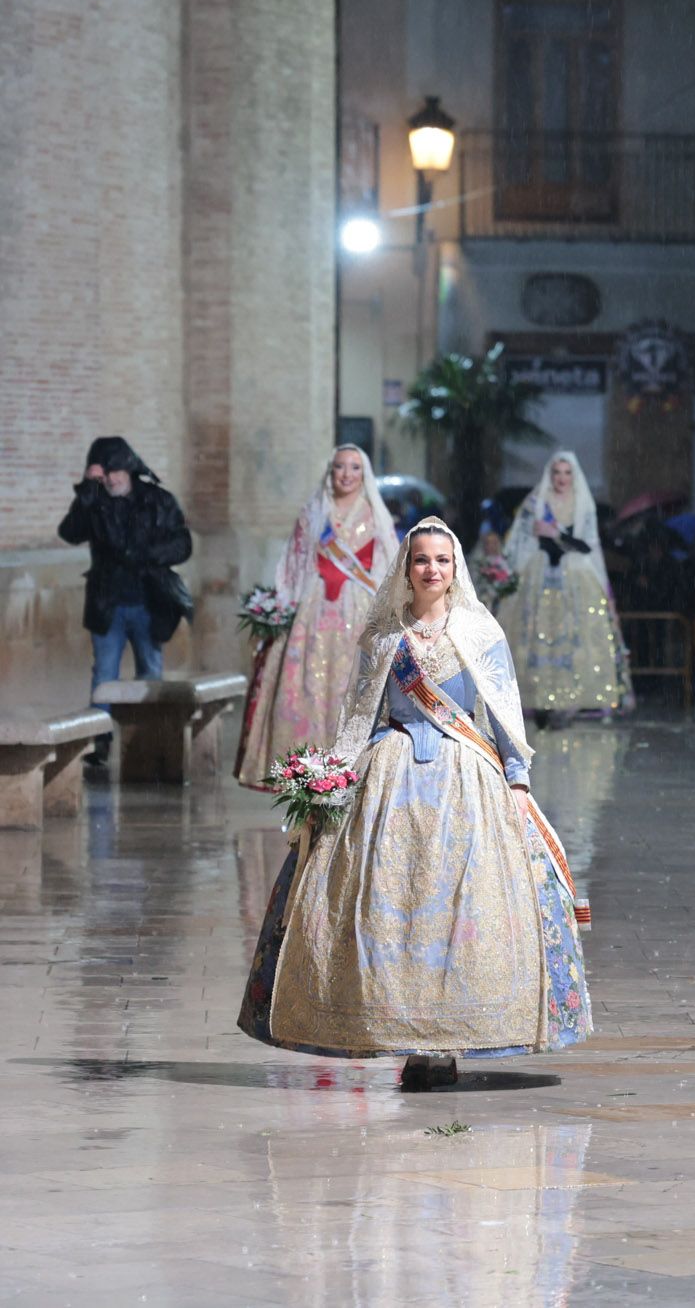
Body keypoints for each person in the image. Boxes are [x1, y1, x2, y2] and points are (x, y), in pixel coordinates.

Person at [238, 518, 591, 1090]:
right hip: (390, 776)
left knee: (460, 908)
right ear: (407, 568)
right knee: (391, 906)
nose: (432, 569)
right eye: (422, 560)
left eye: (442, 561)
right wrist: (333, 780)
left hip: (465, 779)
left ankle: (449, 1040)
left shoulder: (479, 632)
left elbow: (504, 712)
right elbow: (359, 716)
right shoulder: (383, 638)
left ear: (456, 570)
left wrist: (518, 780)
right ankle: (399, 1034)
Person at [235, 446, 395, 788]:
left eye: (354, 468)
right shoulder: (313, 514)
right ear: (330, 471)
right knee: (306, 685)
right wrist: (280, 607)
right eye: (340, 467)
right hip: (314, 608)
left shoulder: (374, 514)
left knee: (349, 686)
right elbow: (293, 565)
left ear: (363, 474)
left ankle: (348, 764)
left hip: (356, 609)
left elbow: (386, 567)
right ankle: (302, 767)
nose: (347, 474)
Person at [58, 436, 194, 702]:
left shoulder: (158, 499)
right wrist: (87, 489)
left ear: (129, 469)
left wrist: (147, 555)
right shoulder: (94, 502)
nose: (111, 480)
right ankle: (101, 740)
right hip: (107, 604)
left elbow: (183, 544)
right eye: (104, 474)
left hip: (150, 601)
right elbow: (69, 532)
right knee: (104, 676)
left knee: (151, 675)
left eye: (116, 471)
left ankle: (147, 739)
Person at [501, 452, 630, 726]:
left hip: (574, 578)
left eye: (567, 472)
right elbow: (518, 541)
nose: (561, 478)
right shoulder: (537, 502)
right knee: (536, 638)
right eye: (557, 472)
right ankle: (540, 699)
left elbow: (588, 545)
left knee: (575, 640)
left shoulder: (583, 504)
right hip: (538, 575)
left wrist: (556, 534)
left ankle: (570, 701)